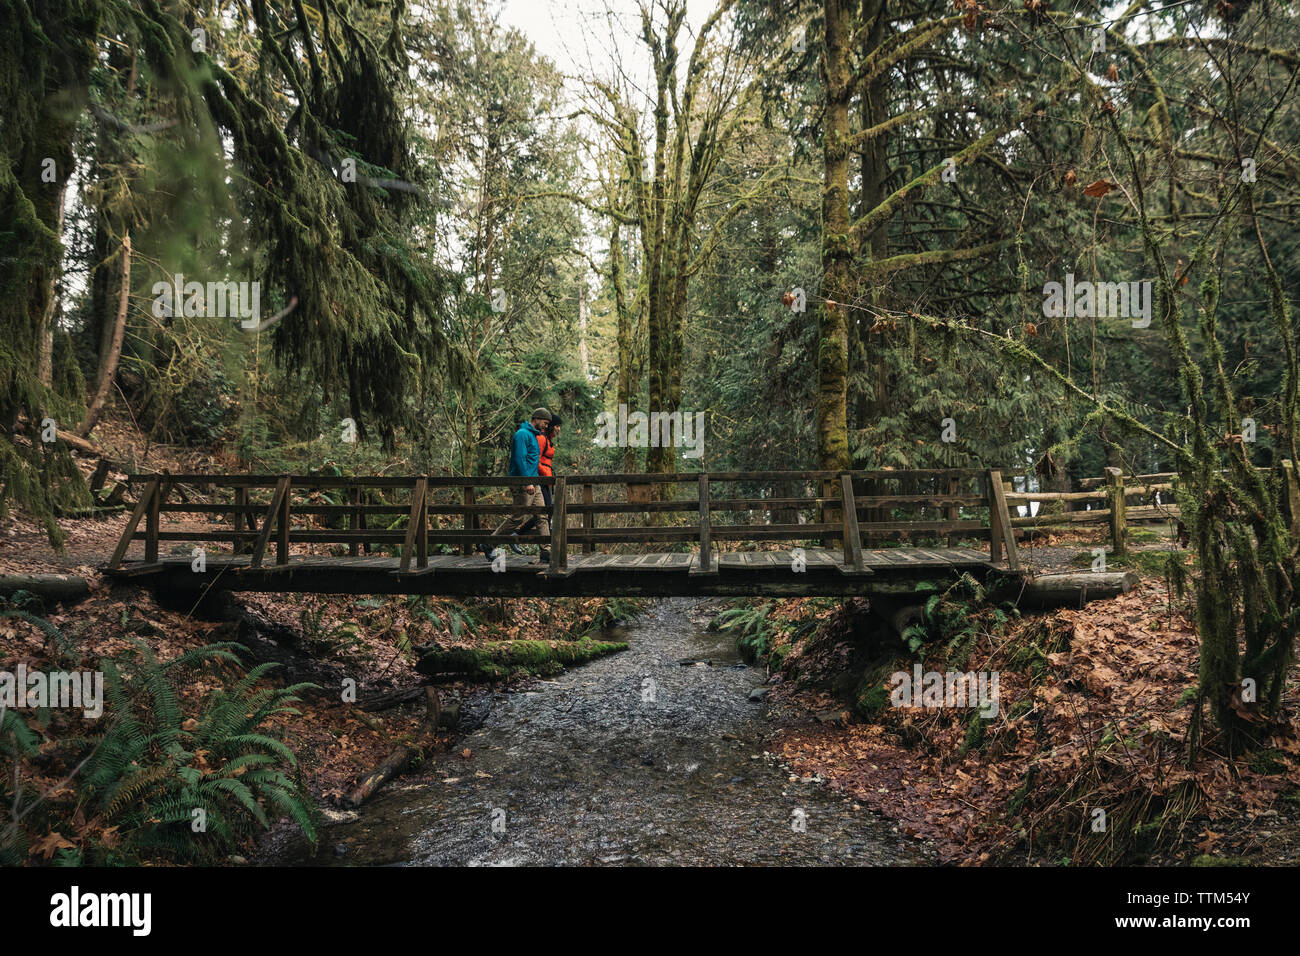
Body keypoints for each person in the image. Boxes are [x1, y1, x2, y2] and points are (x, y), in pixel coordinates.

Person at [481, 408, 551, 563]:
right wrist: (526, 482)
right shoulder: (521, 434)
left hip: (535, 482)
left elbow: (532, 461)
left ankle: (546, 552)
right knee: (518, 518)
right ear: (537, 419)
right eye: (545, 423)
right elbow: (519, 459)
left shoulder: (533, 436)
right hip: (523, 483)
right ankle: (489, 544)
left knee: (542, 515)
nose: (546, 426)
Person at [516, 414, 562, 549]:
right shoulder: (541, 439)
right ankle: (518, 533)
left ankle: (545, 550)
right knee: (545, 512)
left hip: (545, 480)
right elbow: (536, 460)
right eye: (557, 426)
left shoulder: (547, 439)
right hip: (540, 479)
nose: (558, 429)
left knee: (545, 513)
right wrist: (545, 475)